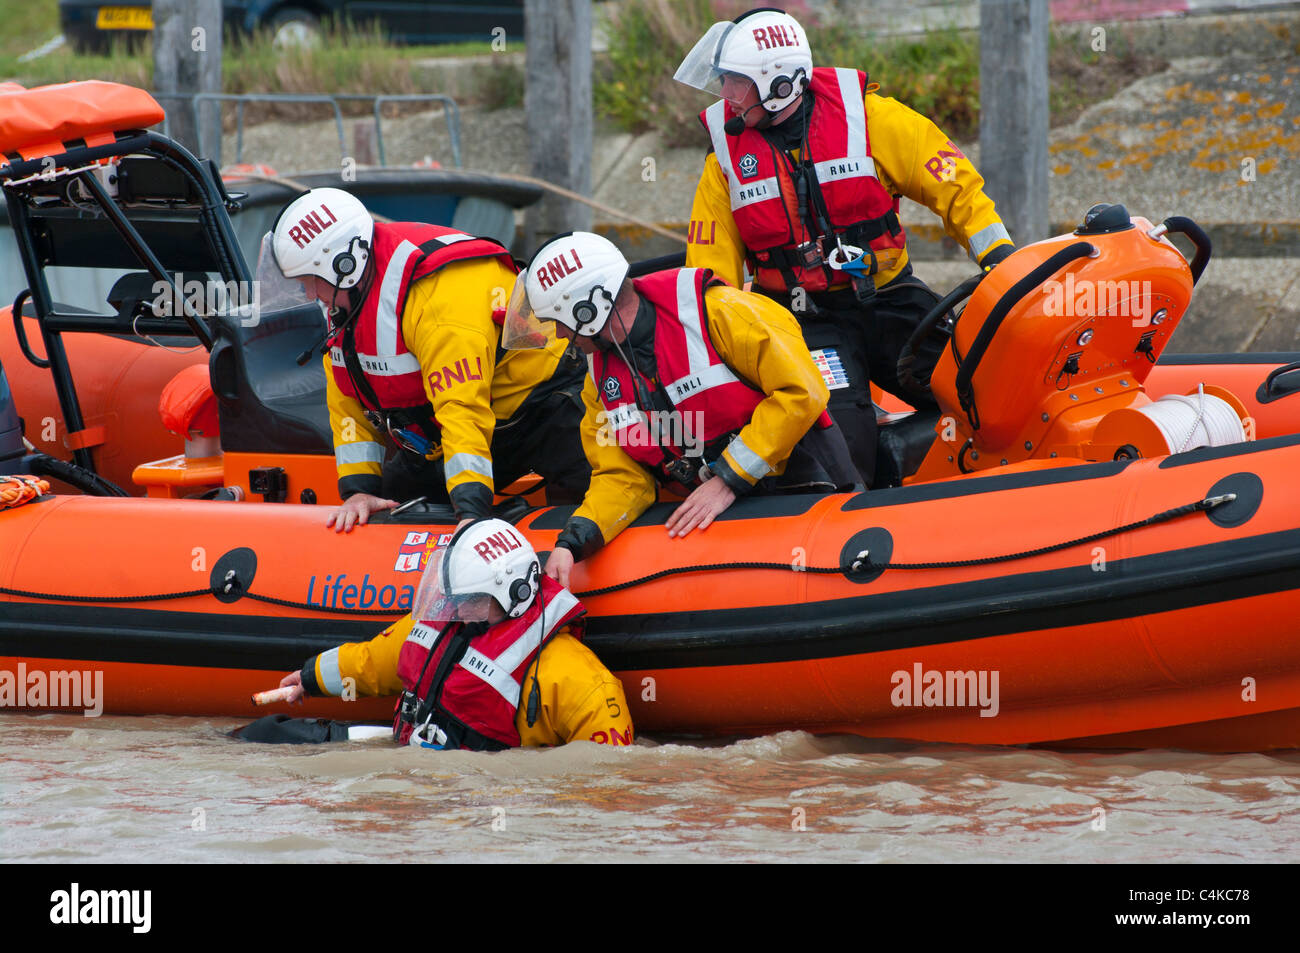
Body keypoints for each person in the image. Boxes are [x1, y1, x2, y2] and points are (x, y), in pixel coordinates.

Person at [674, 7, 1015, 482]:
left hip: (891, 302)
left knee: (986, 396)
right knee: (843, 449)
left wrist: (998, 259)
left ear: (779, 85)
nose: (726, 94)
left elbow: (953, 184)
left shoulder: (868, 117)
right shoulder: (725, 160)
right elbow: (711, 273)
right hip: (804, 324)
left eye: (735, 81)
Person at [502, 231, 858, 588]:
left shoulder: (719, 312)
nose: (561, 335)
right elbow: (622, 478)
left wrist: (728, 480)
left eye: (559, 322)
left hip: (805, 485)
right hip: (721, 513)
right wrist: (573, 542)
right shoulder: (599, 380)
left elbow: (801, 393)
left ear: (587, 310)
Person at [264, 187, 590, 532]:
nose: (311, 295)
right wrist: (360, 492)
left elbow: (463, 409)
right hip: (441, 434)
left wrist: (470, 513)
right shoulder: (347, 297)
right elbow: (347, 401)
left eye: (311, 282)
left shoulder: (437, 303)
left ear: (347, 265)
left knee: (584, 490)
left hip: (544, 407)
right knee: (394, 502)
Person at [267, 518, 634, 750]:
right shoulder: (443, 621)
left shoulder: (574, 677)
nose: (455, 609)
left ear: (516, 593)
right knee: (269, 734)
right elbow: (372, 661)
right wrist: (311, 678)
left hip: (483, 796)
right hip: (414, 754)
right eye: (452, 597)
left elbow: (607, 777)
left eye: (469, 600)